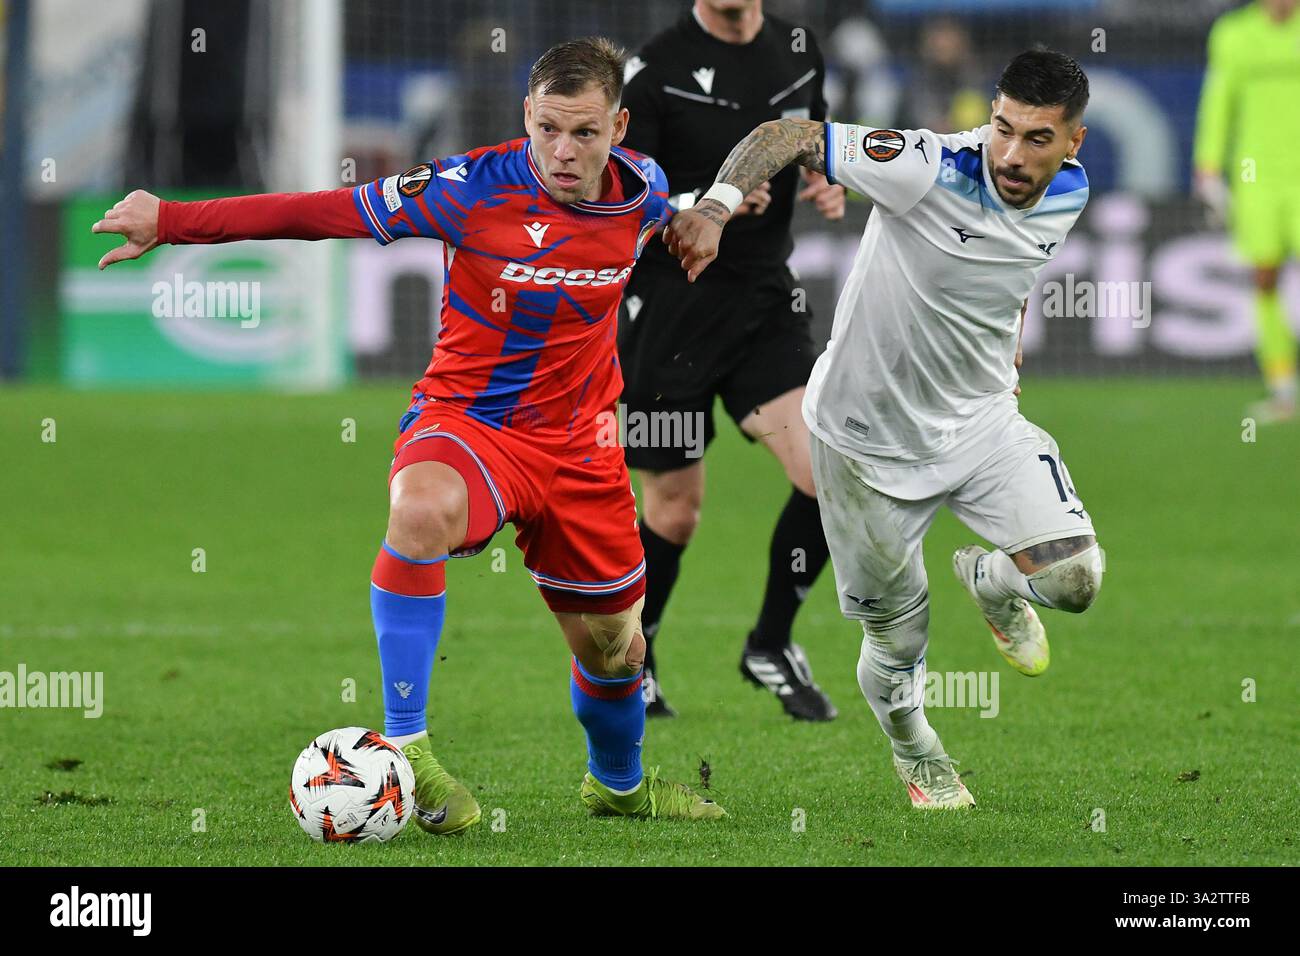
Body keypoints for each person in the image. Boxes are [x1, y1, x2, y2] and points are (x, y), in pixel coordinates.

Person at [93, 37, 724, 830]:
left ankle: (619, 786)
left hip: (581, 446)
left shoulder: (642, 193)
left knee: (614, 650)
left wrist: (705, 217)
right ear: (526, 116)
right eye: (549, 129)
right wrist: (176, 220)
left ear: (619, 129)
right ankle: (408, 751)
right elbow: (320, 212)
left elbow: (674, 215)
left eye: (586, 134)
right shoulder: (466, 187)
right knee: (418, 511)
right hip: (468, 422)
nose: (564, 152)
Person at [664, 49, 1104, 809]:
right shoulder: (928, 165)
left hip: (980, 422)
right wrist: (715, 205)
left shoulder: (1070, 194)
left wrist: (1011, 344)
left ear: (1075, 142)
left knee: (1074, 580)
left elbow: (1010, 275)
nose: (1010, 153)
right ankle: (918, 752)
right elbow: (787, 132)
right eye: (1002, 128)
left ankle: (992, 581)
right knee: (898, 644)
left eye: (1037, 137)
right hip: (862, 443)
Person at [617, 0, 846, 720]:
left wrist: (822, 179)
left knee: (828, 473)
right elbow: (616, 199)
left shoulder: (801, 50)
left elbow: (814, 139)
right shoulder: (650, 72)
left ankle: (770, 643)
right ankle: (637, 658)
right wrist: (700, 201)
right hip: (667, 312)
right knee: (676, 512)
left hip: (762, 303)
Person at [1194, 0, 1300, 423]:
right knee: (1265, 275)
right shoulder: (1233, 33)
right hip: (1256, 177)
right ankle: (1283, 388)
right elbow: (1219, 100)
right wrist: (1208, 165)